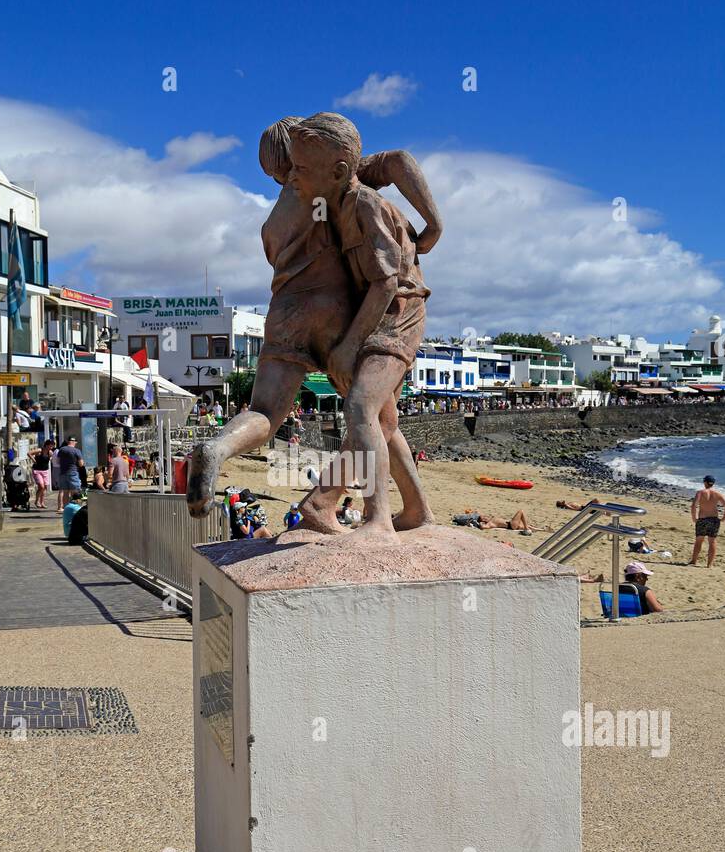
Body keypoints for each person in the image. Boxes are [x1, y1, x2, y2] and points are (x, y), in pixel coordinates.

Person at [186, 114, 442, 535]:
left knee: (268, 411)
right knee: (373, 416)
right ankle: (362, 509)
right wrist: (433, 223)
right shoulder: (328, 186)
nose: (287, 181)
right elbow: (397, 161)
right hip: (337, 313)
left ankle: (220, 448)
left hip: (285, 312)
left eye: (281, 173)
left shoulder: (281, 215)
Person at [288, 114, 433, 539]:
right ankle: (416, 510)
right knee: (383, 420)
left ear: (335, 172)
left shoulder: (363, 202)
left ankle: (378, 518)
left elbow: (387, 280)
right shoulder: (334, 198)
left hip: (397, 316)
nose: (292, 177)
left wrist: (350, 344)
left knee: (359, 409)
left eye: (300, 169)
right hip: (377, 315)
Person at [689, 475, 725, 568]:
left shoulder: (700, 492)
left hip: (703, 519)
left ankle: (694, 561)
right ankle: (709, 564)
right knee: (712, 542)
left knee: (699, 541)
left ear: (705, 482)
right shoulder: (717, 493)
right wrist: (724, 518)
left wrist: (694, 518)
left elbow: (693, 506)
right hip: (714, 520)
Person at [56, 435, 85, 511]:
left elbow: (57, 461)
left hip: (63, 473)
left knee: (65, 492)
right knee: (74, 492)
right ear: (74, 442)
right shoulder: (77, 451)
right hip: (73, 472)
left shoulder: (61, 450)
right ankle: (75, 509)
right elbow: (81, 464)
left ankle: (66, 509)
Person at [453, 508, 534, 535]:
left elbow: (478, 514)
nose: (486, 517)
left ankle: (539, 529)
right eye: (484, 518)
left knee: (526, 524)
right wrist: (480, 523)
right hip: (511, 525)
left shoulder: (490, 520)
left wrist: (475, 514)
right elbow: (482, 527)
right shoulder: (490, 523)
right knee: (521, 511)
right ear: (483, 521)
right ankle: (527, 530)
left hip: (511, 523)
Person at [31, 439, 55, 509]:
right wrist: (33, 460)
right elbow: (29, 453)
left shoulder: (50, 452)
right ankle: (36, 501)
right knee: (41, 486)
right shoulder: (39, 450)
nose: (51, 448)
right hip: (37, 470)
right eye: (50, 446)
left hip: (45, 471)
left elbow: (50, 459)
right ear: (46, 445)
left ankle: (42, 502)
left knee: (44, 488)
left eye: (52, 446)